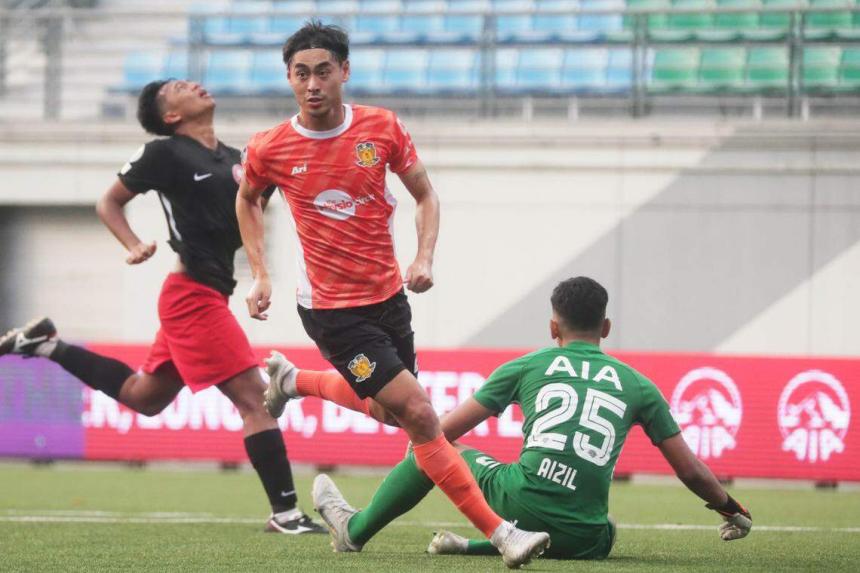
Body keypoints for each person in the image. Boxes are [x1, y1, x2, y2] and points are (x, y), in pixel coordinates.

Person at [235, 20, 550, 568]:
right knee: (422, 416)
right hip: (331, 310)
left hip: (387, 299)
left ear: (344, 73)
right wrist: (261, 273)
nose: (312, 84)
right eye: (301, 74)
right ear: (289, 78)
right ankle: (503, 535)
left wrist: (423, 256)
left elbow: (426, 196)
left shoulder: (381, 128)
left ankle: (294, 381)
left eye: (323, 72)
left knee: (390, 413)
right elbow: (247, 200)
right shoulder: (271, 146)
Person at [0, 78, 325, 535]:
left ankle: (44, 346)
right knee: (255, 400)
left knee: (144, 397)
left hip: (209, 293)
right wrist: (131, 243)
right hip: (190, 295)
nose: (193, 84)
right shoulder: (165, 153)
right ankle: (286, 513)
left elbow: (256, 209)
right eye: (178, 87)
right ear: (170, 116)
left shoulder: (237, 159)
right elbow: (109, 201)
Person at [265, 276, 753, 559]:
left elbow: (441, 432)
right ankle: (473, 546)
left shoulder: (529, 365)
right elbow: (689, 470)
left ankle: (356, 530)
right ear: (605, 327)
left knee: (432, 446)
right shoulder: (638, 384)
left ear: (552, 326)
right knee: (603, 531)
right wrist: (730, 507)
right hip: (586, 535)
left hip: (519, 499)